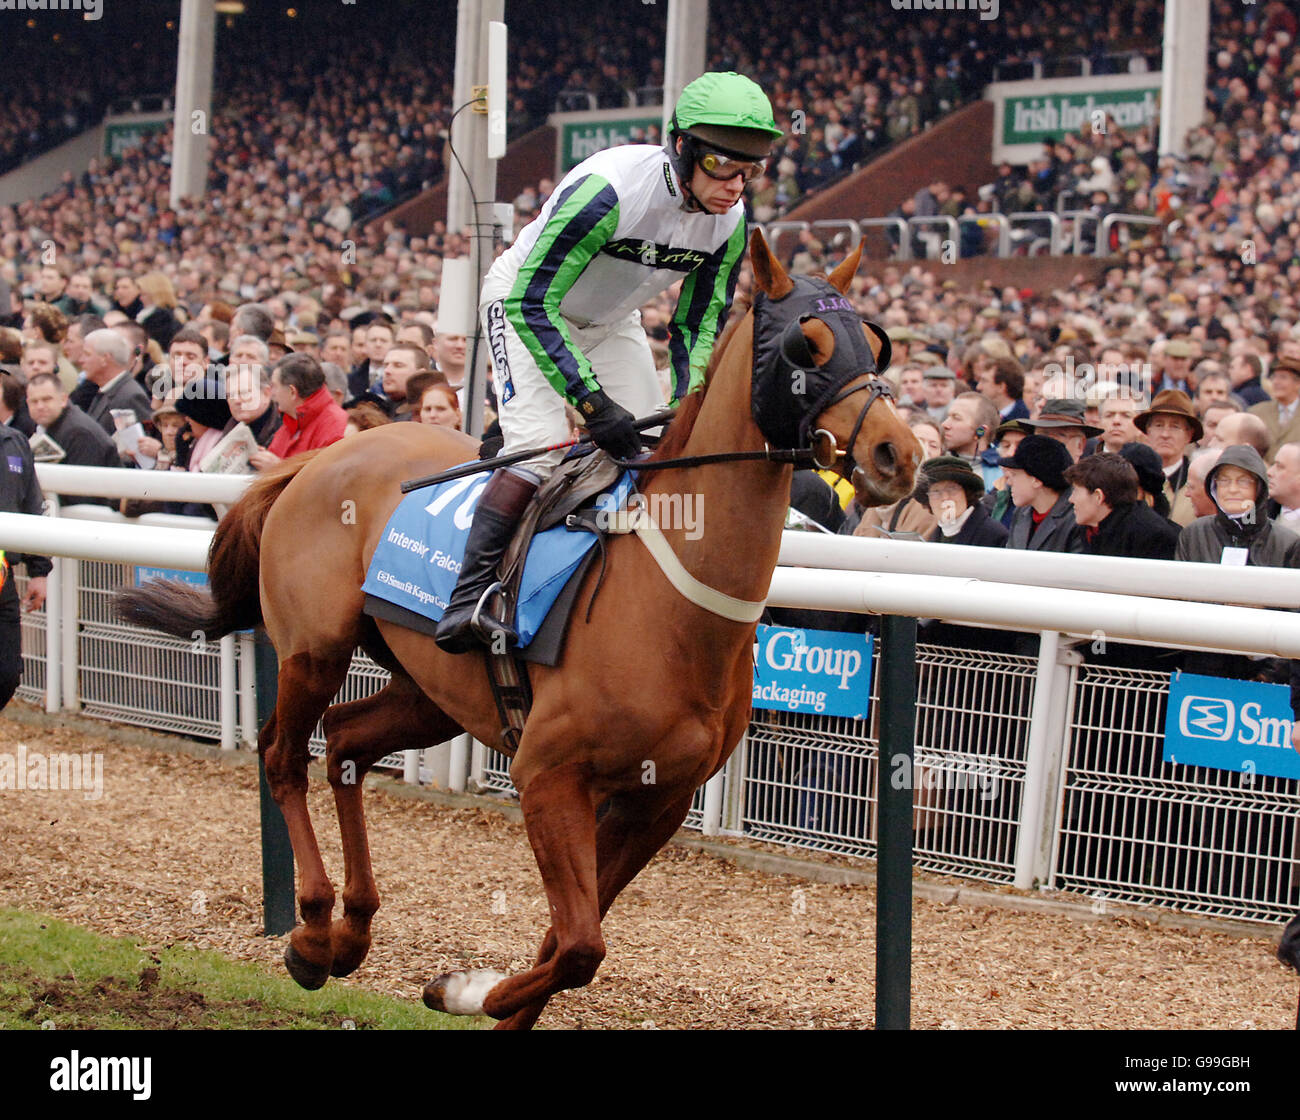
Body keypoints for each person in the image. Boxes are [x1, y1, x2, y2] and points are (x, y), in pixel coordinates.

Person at [436, 71, 779, 653]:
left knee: (652, 452)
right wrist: (592, 403)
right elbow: (531, 302)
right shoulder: (609, 189)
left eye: (752, 170)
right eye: (724, 165)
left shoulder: (730, 222)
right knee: (540, 447)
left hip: (612, 321)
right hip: (525, 303)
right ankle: (468, 599)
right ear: (683, 148)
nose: (737, 184)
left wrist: (682, 403)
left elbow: (698, 324)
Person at [0, 420, 49, 711]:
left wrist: (39, 570)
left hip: (4, 579)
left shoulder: (14, 441)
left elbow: (33, 504)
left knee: (6, 674)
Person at [1065, 452, 1180, 559]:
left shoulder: (1152, 537)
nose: (1071, 500)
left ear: (1098, 496)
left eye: (1076, 491)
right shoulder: (1089, 528)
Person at [1001, 434, 1084, 553]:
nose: (1009, 482)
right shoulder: (1021, 513)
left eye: (1015, 475)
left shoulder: (1076, 519)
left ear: (1036, 480)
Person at [265, 353, 348, 461]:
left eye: (275, 386)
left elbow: (327, 475)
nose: (272, 393)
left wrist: (276, 468)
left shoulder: (336, 427)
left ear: (292, 392)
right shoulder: (290, 422)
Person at [919, 455, 1007, 546]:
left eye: (952, 489)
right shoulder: (936, 534)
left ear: (967, 493)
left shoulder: (993, 534)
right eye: (936, 492)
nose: (945, 498)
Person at [1134, 389, 1201, 506]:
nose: (1165, 434)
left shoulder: (1198, 483)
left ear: (1189, 435)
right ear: (1148, 431)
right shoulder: (1131, 478)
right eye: (1159, 425)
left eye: (1175, 427)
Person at [1249, 358, 1300, 461]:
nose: (1276, 382)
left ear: (1298, 383)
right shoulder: (1256, 412)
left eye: (1283, 377)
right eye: (1274, 377)